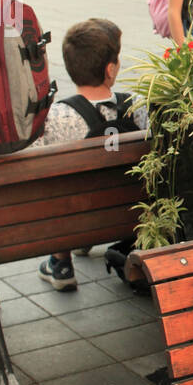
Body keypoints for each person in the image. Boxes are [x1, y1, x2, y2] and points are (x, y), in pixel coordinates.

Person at [32, 19, 147, 290]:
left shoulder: (57, 117)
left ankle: (61, 262)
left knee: (59, 184)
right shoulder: (139, 107)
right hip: (131, 213)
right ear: (110, 70)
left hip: (76, 220)